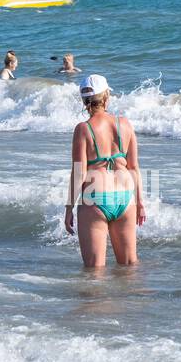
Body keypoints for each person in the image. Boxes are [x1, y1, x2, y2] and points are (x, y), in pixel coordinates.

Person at [64, 74, 145, 267]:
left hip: (95, 198)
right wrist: (140, 202)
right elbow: (134, 168)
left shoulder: (83, 129)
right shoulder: (124, 124)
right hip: (126, 198)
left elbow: (79, 173)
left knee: (94, 272)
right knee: (129, 267)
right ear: (106, 96)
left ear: (85, 101)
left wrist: (69, 208)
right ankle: (133, 298)